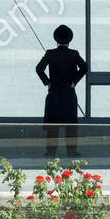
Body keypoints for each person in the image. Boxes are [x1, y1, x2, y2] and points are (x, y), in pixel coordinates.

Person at [36, 24, 88, 160]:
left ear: (56, 39)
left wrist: (47, 82)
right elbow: (84, 67)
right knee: (70, 125)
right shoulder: (74, 54)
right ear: (69, 40)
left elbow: (39, 68)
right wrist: (74, 81)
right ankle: (72, 151)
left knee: (53, 126)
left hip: (54, 93)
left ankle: (51, 152)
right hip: (69, 94)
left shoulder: (50, 53)